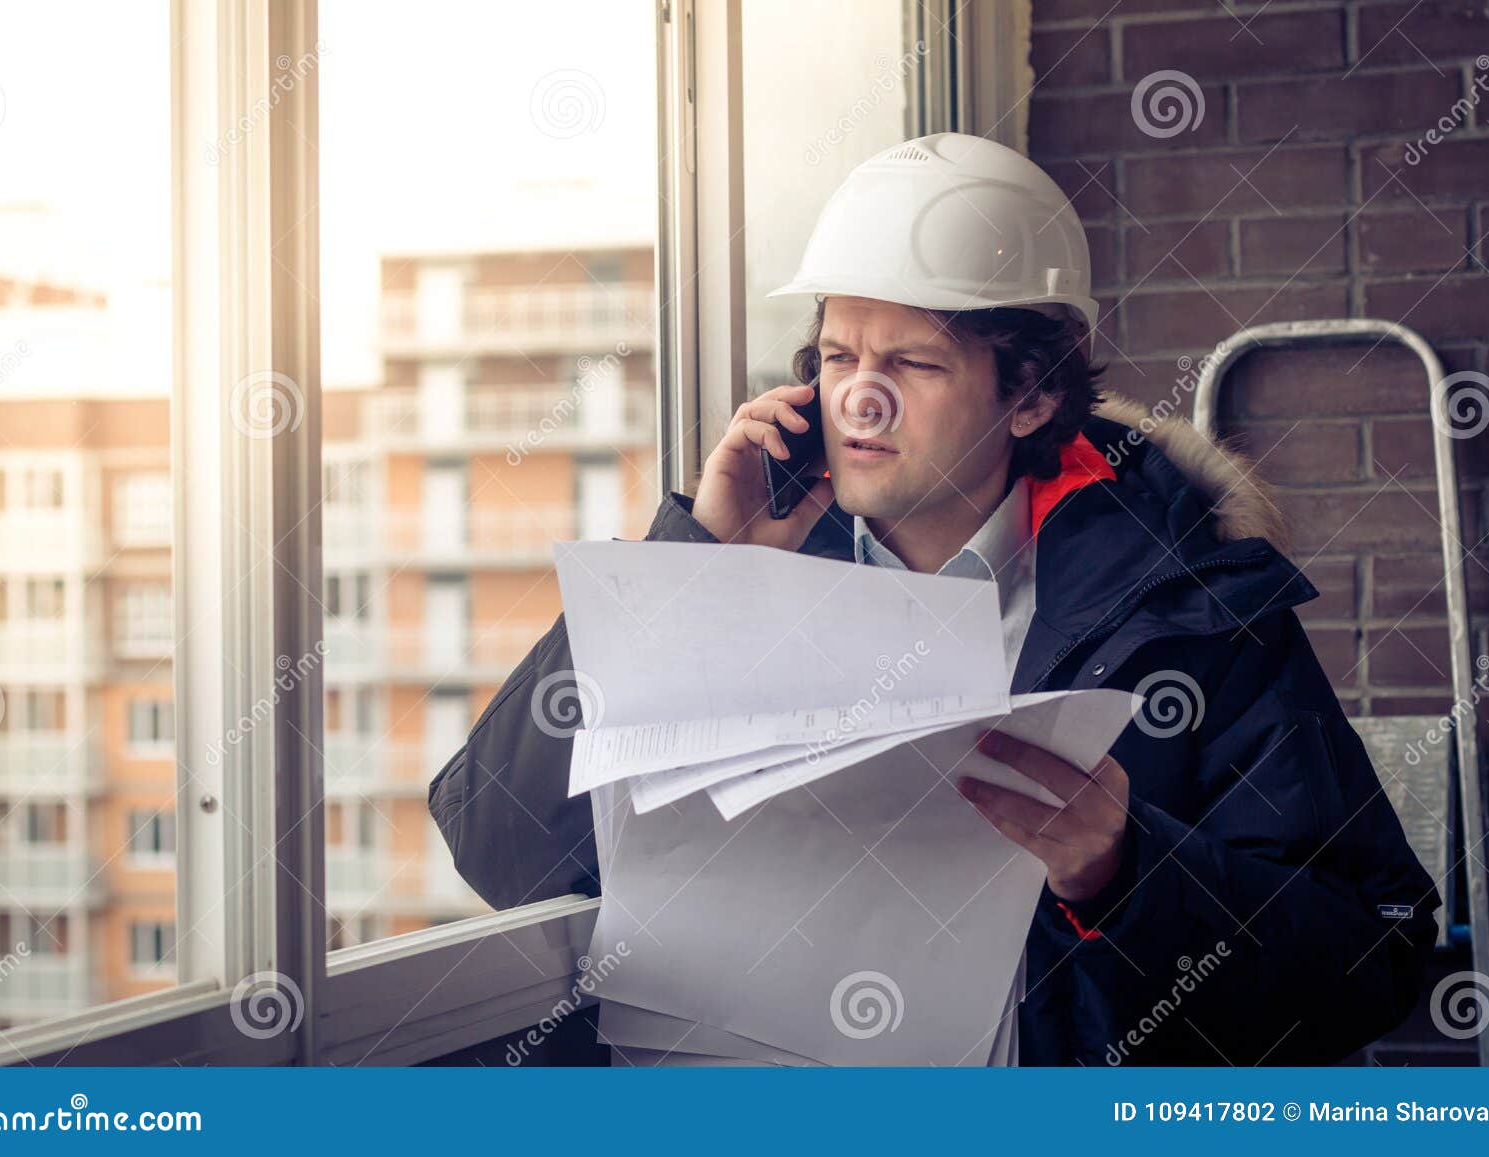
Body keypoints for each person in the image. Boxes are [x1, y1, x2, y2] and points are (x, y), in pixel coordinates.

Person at [428, 133, 1436, 1065]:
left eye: (910, 363)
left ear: (1030, 396)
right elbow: (497, 847)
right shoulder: (728, 569)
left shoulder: (1194, 605)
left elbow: (1370, 957)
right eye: (836, 357)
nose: (858, 398)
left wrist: (1128, 872)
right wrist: (693, 559)